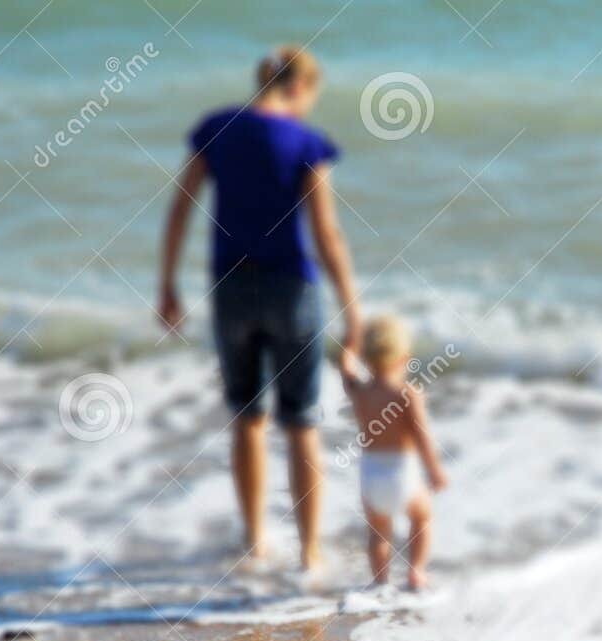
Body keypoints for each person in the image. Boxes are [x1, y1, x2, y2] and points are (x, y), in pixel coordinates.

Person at [157, 44, 361, 569]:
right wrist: (352, 312)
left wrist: (167, 285)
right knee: (301, 422)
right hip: (292, 290)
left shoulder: (217, 129)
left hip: (231, 289)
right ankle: (310, 554)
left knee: (247, 416)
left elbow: (180, 209)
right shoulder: (306, 143)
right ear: (300, 87)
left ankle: (255, 542)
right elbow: (327, 234)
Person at [341, 316, 447, 590]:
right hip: (402, 473)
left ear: (367, 356)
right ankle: (416, 571)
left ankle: (380, 581)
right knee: (422, 517)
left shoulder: (360, 392)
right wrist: (435, 470)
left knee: (378, 533)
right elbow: (422, 436)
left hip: (371, 475)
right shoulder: (406, 394)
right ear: (404, 358)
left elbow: (347, 372)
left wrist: (349, 347)